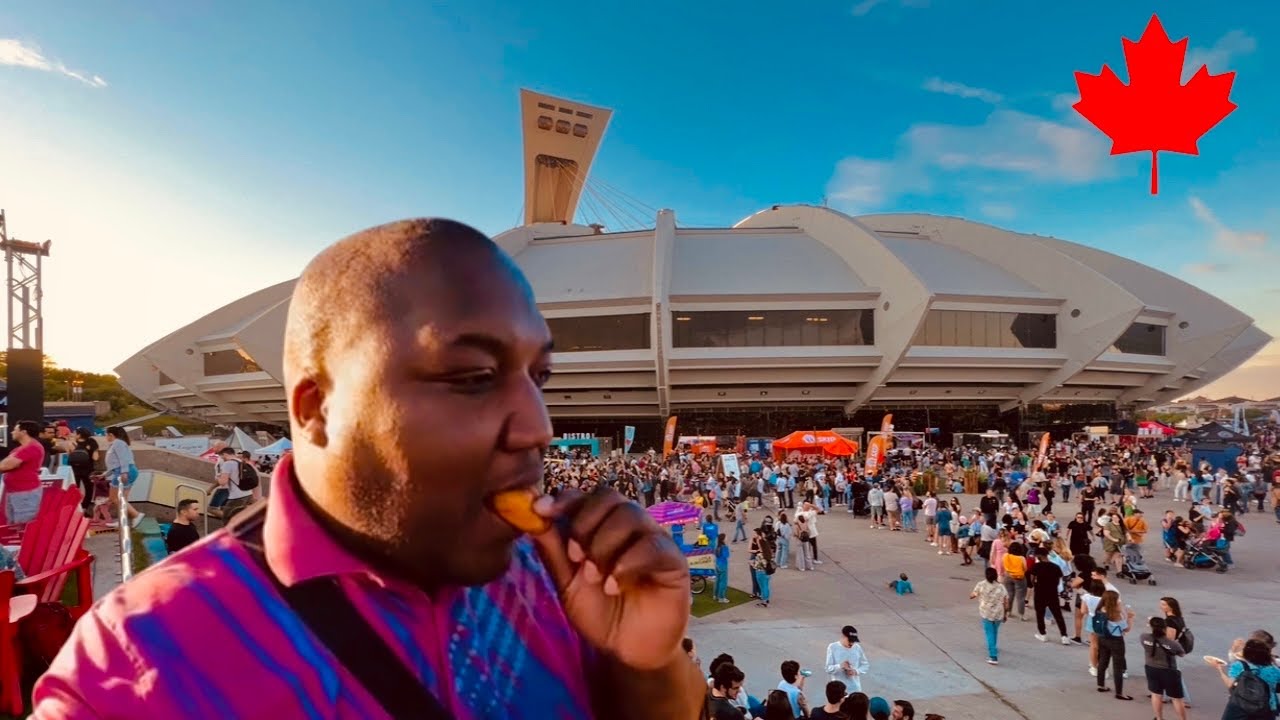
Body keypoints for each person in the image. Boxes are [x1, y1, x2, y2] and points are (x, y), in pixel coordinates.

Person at [32, 218, 706, 718]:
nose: (539, 428)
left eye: (539, 377)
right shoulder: (140, 662)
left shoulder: (558, 576)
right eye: (472, 376)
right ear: (317, 408)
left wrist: (644, 664)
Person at [1209, 638, 1280, 720]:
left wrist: (1219, 669)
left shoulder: (1239, 665)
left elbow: (1229, 685)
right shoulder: (1274, 670)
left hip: (1240, 707)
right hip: (1266, 708)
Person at [0, 420, 47, 523]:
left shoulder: (32, 447)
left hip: (25, 492)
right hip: (14, 492)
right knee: (12, 525)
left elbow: (6, 465)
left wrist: (7, 464)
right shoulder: (19, 449)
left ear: (23, 432)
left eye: (15, 430)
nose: (12, 432)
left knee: (23, 524)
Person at [1140, 616, 1187, 720]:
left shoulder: (1144, 637)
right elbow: (1182, 654)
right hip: (1169, 671)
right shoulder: (1172, 643)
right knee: (1176, 699)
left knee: (1156, 695)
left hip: (1151, 669)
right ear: (1164, 628)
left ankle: (1159, 718)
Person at [1094, 590, 1135, 701]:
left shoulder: (1100, 610)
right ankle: (1119, 692)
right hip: (1116, 641)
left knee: (1103, 661)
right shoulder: (1115, 614)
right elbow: (1126, 629)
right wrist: (1130, 618)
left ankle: (1101, 685)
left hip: (1102, 638)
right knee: (1118, 666)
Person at [103, 426, 144, 528]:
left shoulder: (118, 443)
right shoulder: (118, 444)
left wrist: (124, 472)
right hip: (126, 471)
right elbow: (115, 463)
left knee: (114, 498)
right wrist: (105, 474)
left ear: (110, 435)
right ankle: (122, 521)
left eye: (106, 434)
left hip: (123, 472)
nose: (105, 437)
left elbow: (123, 459)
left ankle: (136, 515)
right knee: (122, 499)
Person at [970, 566, 1009, 665]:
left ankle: (993, 656)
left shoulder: (981, 584)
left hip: (986, 612)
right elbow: (1006, 601)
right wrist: (1006, 614)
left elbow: (972, 595)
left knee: (989, 633)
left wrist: (976, 595)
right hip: (999, 613)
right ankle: (994, 647)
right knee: (994, 631)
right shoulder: (1001, 586)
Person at [825, 625, 871, 693]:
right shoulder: (833, 647)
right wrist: (840, 666)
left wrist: (855, 671)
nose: (851, 643)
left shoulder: (857, 648)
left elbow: (865, 665)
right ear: (843, 636)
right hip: (839, 690)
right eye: (850, 640)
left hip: (855, 689)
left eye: (853, 641)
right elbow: (828, 669)